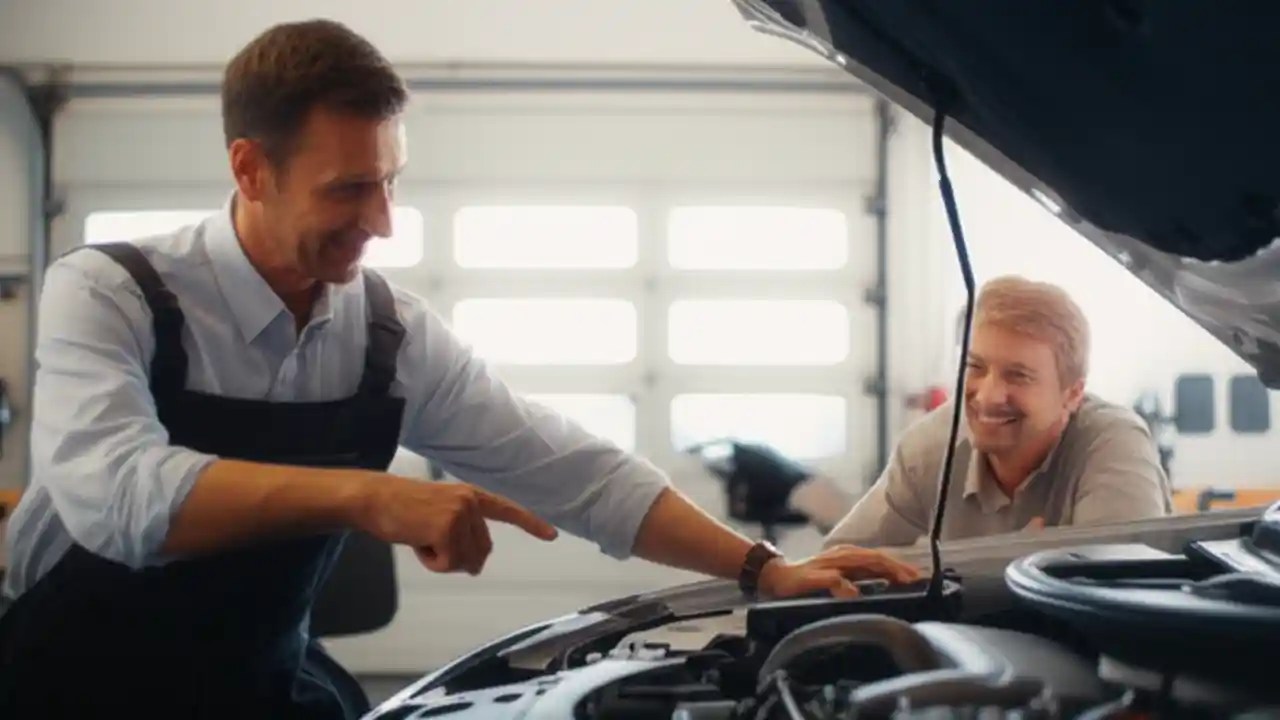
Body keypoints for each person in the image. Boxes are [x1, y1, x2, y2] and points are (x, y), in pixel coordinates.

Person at [0, 19, 919, 719]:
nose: (385, 220)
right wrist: (362, 496)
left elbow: (574, 470)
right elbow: (114, 501)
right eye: (349, 188)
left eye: (390, 180)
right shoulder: (113, 292)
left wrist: (762, 568)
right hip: (66, 685)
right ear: (250, 169)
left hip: (257, 686)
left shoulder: (388, 332)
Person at [789, 276, 1173, 546]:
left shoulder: (1114, 443)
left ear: (1072, 395)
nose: (987, 396)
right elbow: (840, 566)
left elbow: (1121, 587)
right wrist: (1022, 564)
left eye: (1018, 376)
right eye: (975, 367)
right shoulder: (930, 447)